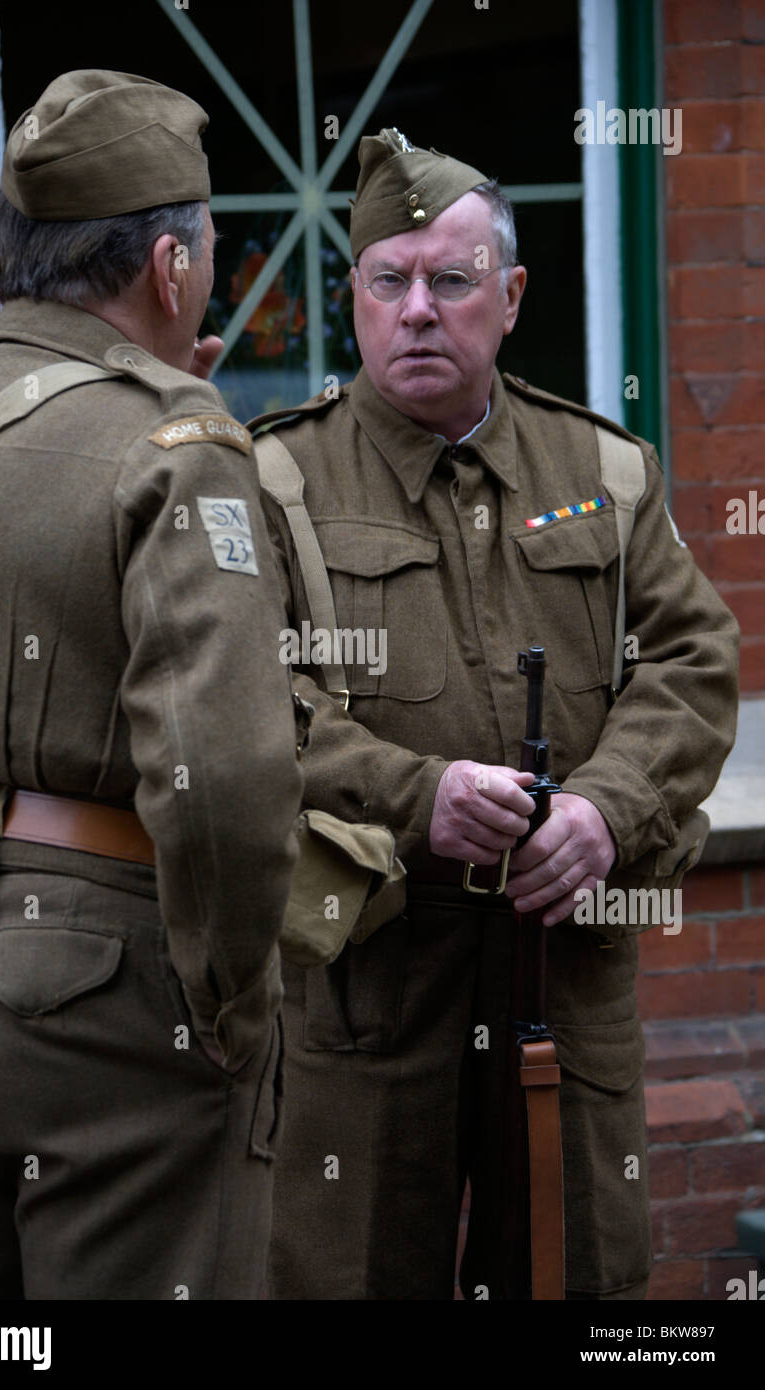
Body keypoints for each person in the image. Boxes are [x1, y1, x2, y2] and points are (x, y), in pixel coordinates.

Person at [251, 127, 739, 1300]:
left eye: (451, 280)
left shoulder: (606, 472)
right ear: (355, 296)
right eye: (388, 280)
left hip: (562, 981)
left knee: (582, 1282)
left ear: (510, 296)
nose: (418, 309)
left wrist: (608, 812)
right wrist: (419, 796)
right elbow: (251, 702)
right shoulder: (277, 481)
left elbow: (690, 658)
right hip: (371, 991)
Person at [0, 70, 302, 1300]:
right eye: (210, 255)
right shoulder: (174, 440)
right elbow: (225, 778)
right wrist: (230, 1013)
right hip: (100, 982)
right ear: (171, 272)